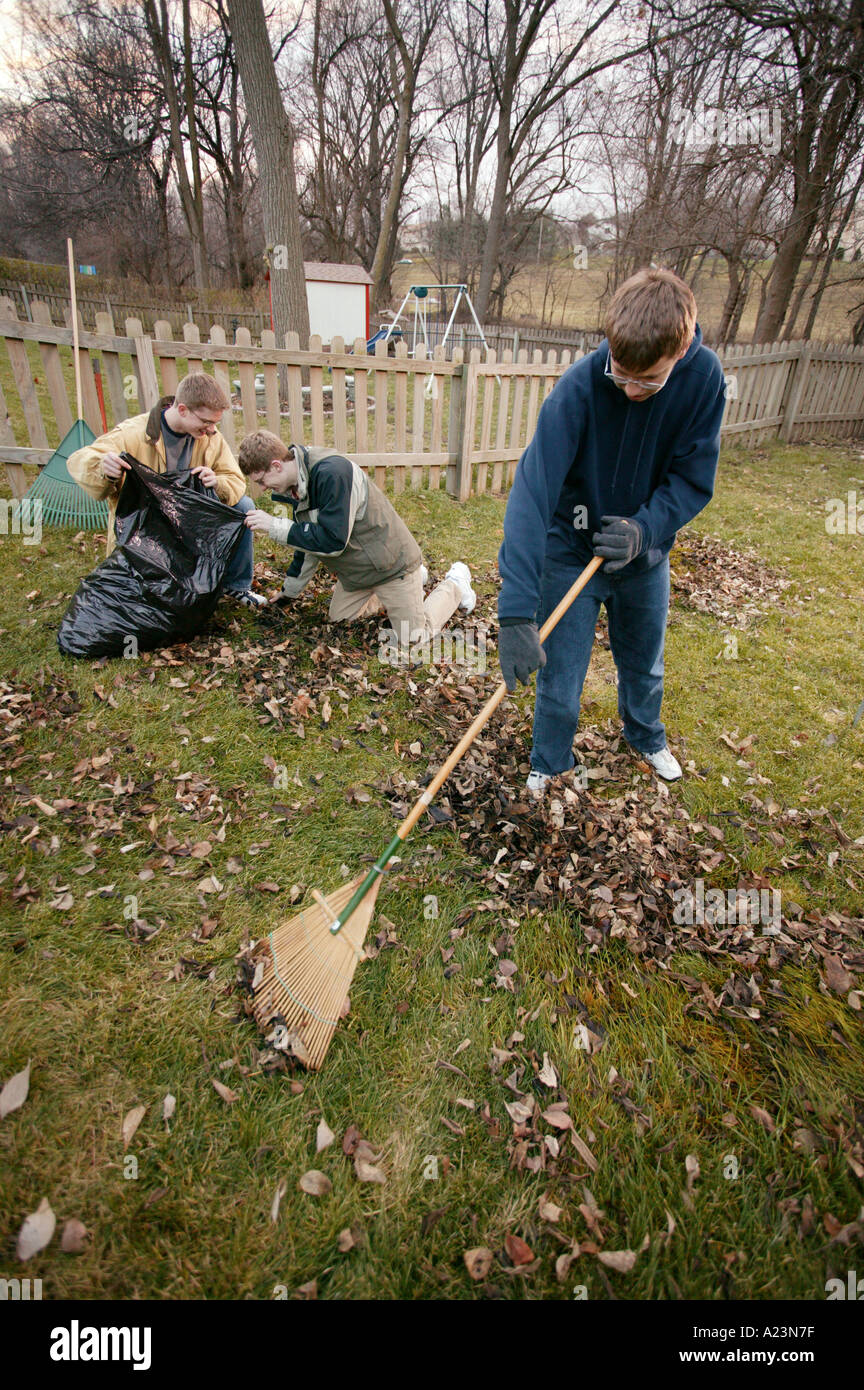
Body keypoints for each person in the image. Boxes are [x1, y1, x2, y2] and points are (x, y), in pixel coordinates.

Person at [497, 267, 726, 791]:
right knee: (561, 676)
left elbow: (693, 479)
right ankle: (550, 763)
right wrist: (514, 612)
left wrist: (644, 531)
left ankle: (645, 736)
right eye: (620, 374)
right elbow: (533, 493)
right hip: (571, 551)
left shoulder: (704, 378)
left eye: (647, 381)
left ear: (684, 344)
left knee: (644, 664)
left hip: (643, 555)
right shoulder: (580, 386)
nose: (629, 389)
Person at [236, 430, 476, 650]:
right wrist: (289, 592)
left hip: (392, 565)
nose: (263, 488)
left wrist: (275, 526)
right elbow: (307, 544)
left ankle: (455, 584)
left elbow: (333, 541)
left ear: (276, 465)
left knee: (412, 638)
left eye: (261, 481)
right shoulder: (295, 486)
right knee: (340, 620)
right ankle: (412, 586)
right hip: (359, 573)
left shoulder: (332, 473)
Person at [67, 372, 265, 608]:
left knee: (244, 507)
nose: (212, 429)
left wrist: (217, 482)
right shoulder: (133, 433)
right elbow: (79, 460)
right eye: (206, 422)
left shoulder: (210, 438)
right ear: (182, 409)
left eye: (215, 423)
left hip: (190, 520)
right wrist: (103, 467)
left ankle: (237, 586)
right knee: (146, 601)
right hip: (147, 525)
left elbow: (233, 479)